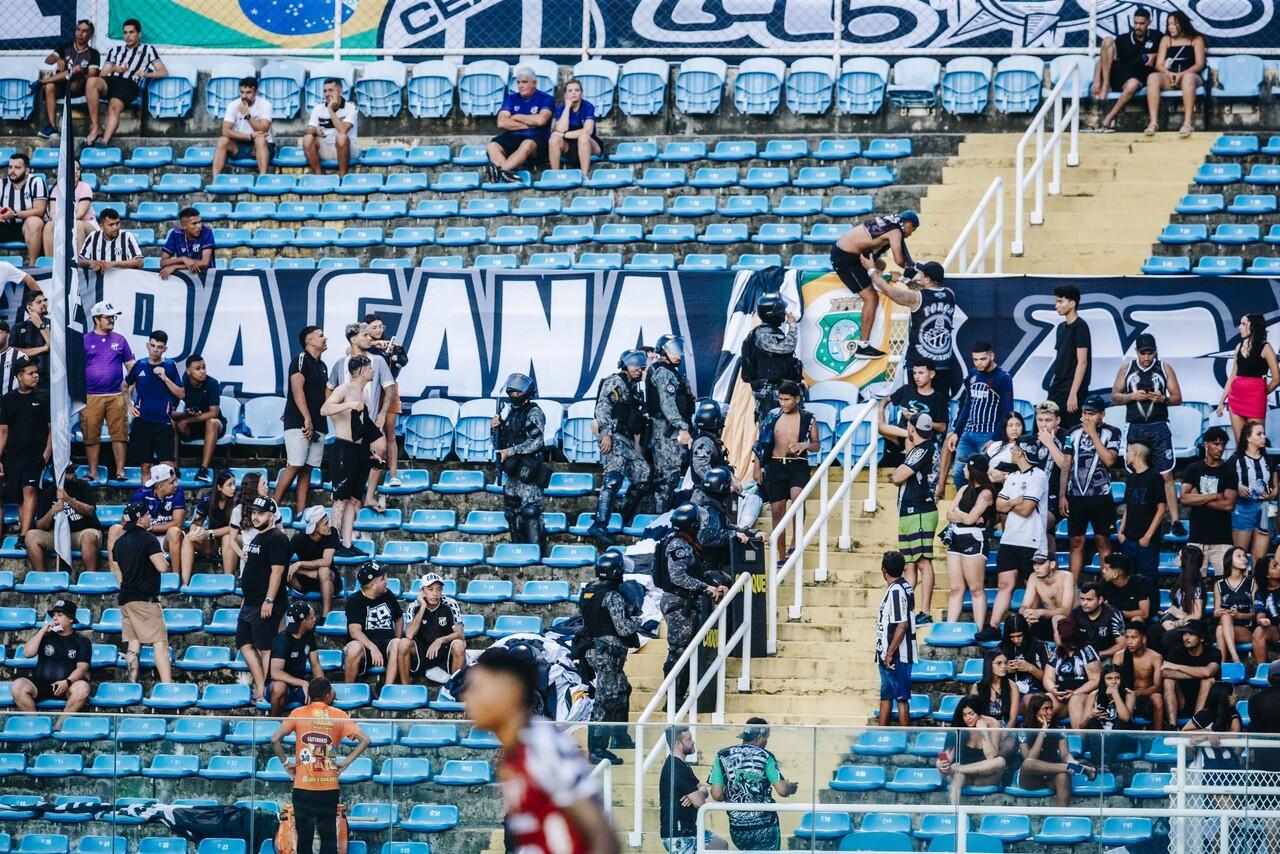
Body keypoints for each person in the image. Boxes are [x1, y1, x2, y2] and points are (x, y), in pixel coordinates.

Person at [462, 647, 620, 854]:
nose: (467, 698)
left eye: (477, 689)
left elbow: (600, 831)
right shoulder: (516, 752)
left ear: (509, 690)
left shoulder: (542, 745)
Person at [270, 677, 371, 854]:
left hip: (303, 786)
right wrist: (346, 763)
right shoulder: (338, 715)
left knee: (304, 840)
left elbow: (274, 739)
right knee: (329, 839)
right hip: (328, 787)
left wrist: (287, 763)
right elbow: (365, 740)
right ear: (327, 695)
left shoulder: (298, 713)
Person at [980, 439, 1049, 642]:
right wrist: (1014, 501)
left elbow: (1027, 510)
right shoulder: (1012, 477)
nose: (1011, 452)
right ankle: (993, 626)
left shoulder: (1039, 476)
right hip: (1010, 539)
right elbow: (1000, 506)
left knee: (1033, 585)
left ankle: (1030, 628)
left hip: (1032, 540)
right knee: (1004, 584)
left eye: (1014, 449)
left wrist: (1011, 504)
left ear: (1020, 452)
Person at [654, 504, 725, 703]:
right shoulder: (678, 545)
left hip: (686, 601)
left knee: (687, 650)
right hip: (678, 603)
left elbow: (696, 572)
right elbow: (678, 577)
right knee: (679, 652)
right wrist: (705, 588)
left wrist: (713, 585)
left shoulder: (686, 543)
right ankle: (673, 698)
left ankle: (679, 695)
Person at [828, 211, 921, 360]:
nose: (911, 234)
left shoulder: (890, 222)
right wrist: (916, 273)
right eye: (913, 229)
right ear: (907, 223)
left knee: (881, 264)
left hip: (852, 253)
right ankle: (863, 346)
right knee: (871, 299)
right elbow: (899, 260)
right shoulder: (896, 231)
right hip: (845, 257)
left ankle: (874, 283)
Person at [1113, 333, 1182, 527]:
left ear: (1155, 351)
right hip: (1136, 426)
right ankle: (1133, 519)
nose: (1146, 357)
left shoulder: (1164, 367)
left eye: (1150, 353)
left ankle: (1175, 519)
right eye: (1143, 353)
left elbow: (1177, 397)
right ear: (1136, 352)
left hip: (1159, 425)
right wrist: (1132, 397)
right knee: (1136, 473)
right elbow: (1115, 396)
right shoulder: (1127, 368)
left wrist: (1163, 399)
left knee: (1167, 474)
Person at [579, 551, 639, 764]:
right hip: (607, 655)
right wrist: (637, 620)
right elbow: (623, 629)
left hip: (593, 650)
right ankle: (597, 749)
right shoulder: (611, 595)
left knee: (623, 689)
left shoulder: (588, 591)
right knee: (604, 700)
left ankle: (620, 736)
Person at [328, 323, 395, 513]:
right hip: (347, 430)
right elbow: (330, 388)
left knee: (379, 449)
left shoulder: (378, 361)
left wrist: (382, 414)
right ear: (353, 339)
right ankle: (345, 519)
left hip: (369, 421)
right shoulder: (341, 363)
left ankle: (369, 495)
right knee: (346, 490)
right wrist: (335, 414)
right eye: (365, 335)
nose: (369, 338)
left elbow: (389, 387)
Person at [867, 259, 958, 396]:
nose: (919, 277)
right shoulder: (950, 294)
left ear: (927, 279)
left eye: (921, 275)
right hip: (944, 363)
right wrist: (903, 279)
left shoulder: (917, 298)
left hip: (920, 366)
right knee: (940, 408)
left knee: (916, 407)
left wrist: (871, 270)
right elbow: (925, 291)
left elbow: (889, 291)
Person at [322, 355, 383, 555]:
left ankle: (347, 543)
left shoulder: (364, 393)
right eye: (370, 368)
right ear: (362, 370)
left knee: (354, 499)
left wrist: (370, 453)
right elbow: (325, 409)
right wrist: (348, 405)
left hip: (359, 450)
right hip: (343, 448)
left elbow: (364, 426)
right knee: (340, 498)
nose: (373, 371)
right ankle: (332, 541)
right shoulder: (344, 389)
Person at [589, 350, 652, 544]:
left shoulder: (635, 388)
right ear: (625, 366)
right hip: (614, 437)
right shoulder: (615, 381)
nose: (639, 370)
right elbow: (603, 408)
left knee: (644, 476)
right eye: (634, 366)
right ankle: (599, 523)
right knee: (613, 479)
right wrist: (606, 434)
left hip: (626, 440)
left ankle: (620, 512)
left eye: (641, 366)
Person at [708, 718, 798, 852]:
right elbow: (782, 790)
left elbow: (716, 794)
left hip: (738, 828)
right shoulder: (765, 756)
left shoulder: (722, 755)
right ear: (761, 736)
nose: (766, 742)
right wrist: (790, 787)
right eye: (767, 738)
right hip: (765, 826)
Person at [752, 380, 818, 560]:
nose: (783, 403)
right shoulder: (773, 416)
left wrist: (804, 445)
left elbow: (816, 445)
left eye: (787, 399)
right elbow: (760, 443)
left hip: (798, 464)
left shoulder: (808, 418)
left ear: (796, 399)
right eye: (780, 399)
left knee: (798, 498)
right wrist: (757, 467)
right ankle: (781, 554)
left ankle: (796, 540)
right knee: (777, 510)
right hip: (775, 465)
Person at [110, 501, 172, 684]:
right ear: (140, 518)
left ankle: (131, 683)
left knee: (133, 644)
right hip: (145, 600)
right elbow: (161, 567)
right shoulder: (148, 539)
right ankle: (167, 685)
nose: (150, 517)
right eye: (147, 515)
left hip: (125, 599)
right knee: (160, 643)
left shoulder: (119, 544)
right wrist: (166, 561)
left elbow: (118, 573)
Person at [237, 495, 290, 702]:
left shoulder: (277, 538)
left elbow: (277, 572)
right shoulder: (259, 537)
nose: (255, 517)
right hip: (250, 602)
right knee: (244, 643)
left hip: (265, 604)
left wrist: (269, 600)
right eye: (253, 513)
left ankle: (265, 692)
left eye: (260, 513)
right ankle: (261, 686)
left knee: (266, 648)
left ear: (271, 515)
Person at [1060, 396, 1120, 580]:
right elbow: (1066, 464)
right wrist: (1063, 495)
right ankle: (1072, 588)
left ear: (1102, 414)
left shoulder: (1113, 432)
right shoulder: (1071, 432)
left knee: (1103, 541)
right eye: (1085, 413)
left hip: (1101, 496)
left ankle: (1106, 586)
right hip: (1076, 495)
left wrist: (1093, 434)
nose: (1087, 417)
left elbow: (1110, 460)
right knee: (1076, 542)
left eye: (1092, 414)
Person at [943, 340, 1013, 492]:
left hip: (987, 435)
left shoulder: (1003, 378)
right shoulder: (973, 374)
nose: (979, 363)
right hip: (967, 434)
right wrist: (956, 432)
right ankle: (965, 505)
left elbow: (1007, 412)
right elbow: (967, 406)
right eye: (975, 359)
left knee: (983, 476)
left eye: (983, 359)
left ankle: (981, 510)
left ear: (992, 356)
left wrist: (995, 438)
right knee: (958, 474)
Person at [84, 18, 165, 146]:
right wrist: (115, 68)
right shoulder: (115, 50)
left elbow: (163, 72)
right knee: (92, 81)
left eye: (131, 32)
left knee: (113, 107)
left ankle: (104, 142)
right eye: (125, 32)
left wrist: (146, 74)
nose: (128, 36)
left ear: (139, 34)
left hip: (129, 83)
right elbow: (103, 74)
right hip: (111, 81)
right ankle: (95, 127)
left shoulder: (148, 50)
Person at [11, 599, 91, 726]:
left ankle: (59, 726)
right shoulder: (45, 635)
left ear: (71, 619)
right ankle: (36, 726)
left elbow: (82, 668)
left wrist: (67, 682)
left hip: (67, 685)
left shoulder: (82, 641)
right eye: (54, 615)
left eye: (60, 615)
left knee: (83, 688)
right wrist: (42, 631)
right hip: (42, 683)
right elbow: (27, 653)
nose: (55, 618)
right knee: (17, 686)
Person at [891, 413, 939, 624]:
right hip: (910, 511)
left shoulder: (923, 450)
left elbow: (898, 477)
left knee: (922, 562)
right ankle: (907, 611)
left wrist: (896, 473)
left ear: (911, 430)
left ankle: (925, 612)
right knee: (909, 565)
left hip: (920, 510)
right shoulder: (926, 447)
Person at [276, 325, 329, 515]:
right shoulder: (300, 360)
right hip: (299, 422)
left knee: (307, 468)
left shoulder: (322, 366)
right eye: (321, 335)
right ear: (310, 340)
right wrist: (306, 418)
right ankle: (271, 507)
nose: (325, 338)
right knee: (295, 464)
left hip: (319, 424)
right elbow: (296, 389)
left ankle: (300, 512)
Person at [80, 300, 133, 482]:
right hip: (91, 396)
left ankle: (120, 471)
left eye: (113, 317)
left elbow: (131, 367)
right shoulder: (84, 340)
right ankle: (93, 472)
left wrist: (128, 392)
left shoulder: (120, 340)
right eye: (107, 317)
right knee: (91, 434)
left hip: (116, 395)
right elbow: (75, 369)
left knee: (119, 434)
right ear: (96, 319)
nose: (111, 320)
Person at [493, 372, 547, 548]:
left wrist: (511, 451)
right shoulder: (507, 413)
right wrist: (495, 427)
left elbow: (535, 442)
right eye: (511, 393)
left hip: (528, 470)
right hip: (511, 471)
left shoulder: (534, 412)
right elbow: (497, 443)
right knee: (511, 512)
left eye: (517, 393)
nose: (514, 396)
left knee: (530, 511)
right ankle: (517, 551)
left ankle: (536, 552)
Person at [125, 330, 183, 484]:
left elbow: (181, 393)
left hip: (163, 423)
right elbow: (125, 386)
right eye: (152, 345)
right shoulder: (140, 365)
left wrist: (165, 378)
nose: (155, 349)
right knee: (145, 466)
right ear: (147, 345)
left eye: (159, 347)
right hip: (143, 422)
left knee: (168, 468)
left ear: (165, 349)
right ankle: (146, 504)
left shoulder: (170, 366)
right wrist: (129, 404)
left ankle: (168, 505)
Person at [0, 355, 50, 535]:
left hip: (35, 453)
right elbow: (3, 431)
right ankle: (25, 530)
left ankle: (25, 534)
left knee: (30, 490)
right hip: (14, 454)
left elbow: (52, 428)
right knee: (21, 496)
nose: (36, 376)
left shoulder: (44, 396)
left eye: (36, 373)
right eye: (31, 373)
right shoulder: (7, 400)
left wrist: (47, 452)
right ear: (19, 377)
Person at [944, 455, 996, 626]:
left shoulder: (986, 493)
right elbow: (948, 514)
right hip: (957, 538)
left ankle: (980, 628)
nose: (963, 470)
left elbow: (969, 520)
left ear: (973, 470)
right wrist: (961, 515)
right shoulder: (964, 489)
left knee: (975, 589)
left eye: (966, 467)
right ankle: (950, 628)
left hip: (974, 538)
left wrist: (959, 513)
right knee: (956, 588)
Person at [647, 334, 695, 514]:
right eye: (674, 351)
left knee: (672, 476)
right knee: (667, 477)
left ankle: (664, 515)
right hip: (667, 432)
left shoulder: (671, 371)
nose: (679, 355)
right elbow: (667, 404)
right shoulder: (664, 372)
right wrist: (682, 426)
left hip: (670, 431)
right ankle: (661, 518)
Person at [1016, 694, 1092, 807]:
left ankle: (1061, 818)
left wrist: (1071, 761)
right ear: (1035, 711)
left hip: (1052, 773)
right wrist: (1043, 731)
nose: (1050, 712)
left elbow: (1065, 754)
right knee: (1027, 763)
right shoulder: (1023, 729)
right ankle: (1078, 770)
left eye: (1051, 708)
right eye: (1045, 709)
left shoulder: (1058, 729)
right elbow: (1030, 758)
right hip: (1031, 778)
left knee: (1063, 776)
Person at [661, 726, 727, 854]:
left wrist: (698, 793)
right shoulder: (676, 768)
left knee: (720, 845)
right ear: (678, 744)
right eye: (689, 739)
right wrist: (697, 796)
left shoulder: (683, 766)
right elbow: (700, 803)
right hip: (678, 833)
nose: (693, 742)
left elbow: (703, 789)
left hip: (690, 829)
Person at [1093, 7, 1161, 132]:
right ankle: (1106, 84)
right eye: (1135, 23)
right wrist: (1097, 81)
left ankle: (1109, 117)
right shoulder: (1123, 39)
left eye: (1142, 23)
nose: (1138, 27)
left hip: (1139, 77)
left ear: (1149, 23)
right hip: (1119, 74)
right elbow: (1102, 60)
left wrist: (1155, 55)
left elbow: (1166, 53)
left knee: (1133, 84)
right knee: (1107, 40)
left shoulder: (1157, 36)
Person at [1182, 426, 1239, 575]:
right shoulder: (1193, 469)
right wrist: (1213, 496)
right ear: (1206, 444)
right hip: (1196, 538)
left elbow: (1228, 505)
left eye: (1223, 445)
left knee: (1226, 583)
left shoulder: (1229, 472)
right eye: (1216, 444)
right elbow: (1183, 498)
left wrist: (1197, 496)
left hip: (1222, 539)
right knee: (1191, 584)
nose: (1220, 448)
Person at [1118, 442, 1167, 609]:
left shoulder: (1154, 477)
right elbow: (1128, 507)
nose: (1125, 454)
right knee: (1128, 580)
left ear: (1136, 453)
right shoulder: (1131, 477)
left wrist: (1147, 536)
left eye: (1127, 451)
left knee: (1149, 581)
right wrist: (1121, 532)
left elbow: (1161, 509)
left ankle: (1152, 615)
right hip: (1128, 540)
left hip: (1147, 543)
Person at [739, 293, 801, 423]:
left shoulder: (770, 331)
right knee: (772, 430)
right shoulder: (763, 333)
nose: (784, 313)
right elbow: (787, 347)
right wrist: (793, 326)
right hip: (769, 392)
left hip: (775, 390)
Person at [25, 465, 100, 572]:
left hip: (82, 532)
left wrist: (68, 499)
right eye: (69, 473)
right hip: (56, 535)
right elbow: (40, 525)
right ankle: (41, 578)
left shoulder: (83, 486)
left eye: (73, 471)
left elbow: (90, 511)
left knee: (88, 537)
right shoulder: (47, 494)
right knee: (31, 536)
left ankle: (90, 578)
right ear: (58, 477)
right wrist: (52, 511)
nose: (74, 474)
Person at [486, 66, 554, 183]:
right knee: (492, 146)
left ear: (534, 83)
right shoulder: (511, 99)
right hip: (513, 136)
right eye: (518, 82)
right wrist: (529, 123)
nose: (520, 86)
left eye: (524, 82)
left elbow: (541, 120)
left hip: (536, 138)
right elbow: (501, 122)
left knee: (527, 144)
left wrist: (517, 117)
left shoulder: (546, 98)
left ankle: (500, 169)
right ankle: (506, 171)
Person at [108, 463, 186, 563]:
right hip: (143, 537)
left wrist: (150, 527)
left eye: (175, 480)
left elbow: (177, 523)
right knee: (115, 530)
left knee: (174, 531)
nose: (176, 484)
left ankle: (176, 577)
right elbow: (125, 521)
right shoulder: (141, 494)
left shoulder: (178, 492)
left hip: (166, 538)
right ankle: (116, 574)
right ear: (161, 486)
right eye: (172, 482)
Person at [395, 571, 464, 683]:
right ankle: (405, 688)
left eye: (439, 589)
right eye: (430, 589)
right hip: (422, 648)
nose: (435, 593)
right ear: (422, 591)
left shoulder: (450, 604)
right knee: (403, 643)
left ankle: (454, 688)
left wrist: (440, 640)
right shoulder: (414, 607)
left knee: (459, 645)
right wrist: (422, 606)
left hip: (444, 649)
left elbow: (460, 634)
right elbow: (409, 634)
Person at [1147, 10, 1207, 137]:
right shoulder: (1166, 40)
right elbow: (1159, 64)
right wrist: (1167, 73)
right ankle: (1153, 123)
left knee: (1188, 78)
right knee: (1152, 77)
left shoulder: (1196, 40)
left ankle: (1187, 123)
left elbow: (1199, 64)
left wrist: (1182, 74)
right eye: (1169, 24)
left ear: (1182, 24)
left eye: (1174, 24)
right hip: (1170, 77)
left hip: (1191, 77)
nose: (1170, 27)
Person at [937, 697, 1007, 804]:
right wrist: (940, 763)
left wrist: (983, 731)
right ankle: (953, 812)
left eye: (971, 714)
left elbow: (991, 757)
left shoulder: (992, 724)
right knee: (958, 776)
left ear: (979, 712)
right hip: (963, 777)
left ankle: (960, 769)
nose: (968, 718)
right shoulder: (959, 727)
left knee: (1000, 761)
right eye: (964, 715)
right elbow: (945, 756)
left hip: (984, 776)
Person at [364, 314, 407, 488]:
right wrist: (375, 344)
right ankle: (368, 474)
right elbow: (349, 351)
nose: (379, 330)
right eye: (374, 327)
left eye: (381, 327)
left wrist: (392, 353)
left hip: (389, 389)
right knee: (369, 433)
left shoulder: (392, 346)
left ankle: (393, 475)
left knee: (390, 434)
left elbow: (402, 362)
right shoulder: (363, 345)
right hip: (369, 389)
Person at [38, 19, 100, 139]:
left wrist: (81, 71)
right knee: (50, 86)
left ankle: (41, 82)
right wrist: (58, 59)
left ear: (90, 35)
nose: (80, 33)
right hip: (61, 85)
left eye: (85, 31)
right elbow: (48, 60)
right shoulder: (65, 47)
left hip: (78, 86)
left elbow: (93, 74)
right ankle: (52, 128)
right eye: (78, 30)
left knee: (76, 71)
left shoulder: (93, 53)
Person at [344, 561, 403, 685]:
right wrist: (372, 647)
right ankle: (348, 689)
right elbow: (354, 631)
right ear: (373, 585)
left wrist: (396, 640)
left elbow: (399, 618)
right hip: (365, 646)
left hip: (387, 645)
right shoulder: (355, 600)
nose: (386, 580)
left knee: (398, 643)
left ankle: (388, 689)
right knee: (354, 648)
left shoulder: (388, 594)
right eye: (382, 579)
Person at [1223, 315, 1280, 444]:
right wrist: (1222, 401)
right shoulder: (1239, 346)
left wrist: (1261, 393)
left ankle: (1259, 465)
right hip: (1236, 398)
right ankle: (1242, 464)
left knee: (1256, 443)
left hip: (1255, 399)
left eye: (1243, 324)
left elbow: (1277, 378)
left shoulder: (1265, 347)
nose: (1240, 327)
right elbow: (1233, 375)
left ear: (1252, 326)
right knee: (1241, 443)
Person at [876, 551, 917, 726]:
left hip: (897, 655)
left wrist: (889, 654)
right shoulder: (905, 586)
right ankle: (881, 735)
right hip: (888, 653)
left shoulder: (897, 590)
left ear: (883, 570)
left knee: (901, 698)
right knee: (885, 695)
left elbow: (902, 625)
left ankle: (904, 738)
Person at [171, 354, 224, 481]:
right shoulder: (181, 386)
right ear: (189, 371)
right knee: (171, 422)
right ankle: (174, 469)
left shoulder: (212, 383)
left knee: (212, 422)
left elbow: (213, 413)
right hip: (190, 427)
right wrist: (185, 415)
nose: (203, 371)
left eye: (204, 367)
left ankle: (203, 470)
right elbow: (171, 412)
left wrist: (188, 419)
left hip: (212, 426)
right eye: (198, 368)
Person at [880, 363, 949, 457]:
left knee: (910, 441)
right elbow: (886, 399)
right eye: (914, 373)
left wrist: (917, 418)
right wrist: (880, 409)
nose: (917, 377)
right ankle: (909, 435)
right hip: (902, 433)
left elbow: (942, 427)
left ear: (931, 374)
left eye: (921, 373)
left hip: (924, 436)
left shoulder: (938, 398)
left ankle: (911, 468)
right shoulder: (907, 389)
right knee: (879, 426)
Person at [1043, 618, 1102, 728]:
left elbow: (1095, 680)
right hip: (1061, 698)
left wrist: (1074, 693)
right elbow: (1048, 677)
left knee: (1075, 700)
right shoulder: (1057, 652)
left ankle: (1078, 739)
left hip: (1084, 696)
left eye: (1057, 633)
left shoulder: (1087, 650)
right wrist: (1053, 690)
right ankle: (1041, 737)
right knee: (1044, 700)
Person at [1232, 420, 1276, 564]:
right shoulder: (1236, 459)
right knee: (1240, 555)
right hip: (1243, 508)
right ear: (1248, 438)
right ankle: (1241, 586)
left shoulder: (1269, 459)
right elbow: (1225, 481)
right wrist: (1237, 486)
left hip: (1264, 508)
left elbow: (1275, 486)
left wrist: (1272, 493)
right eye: (1259, 434)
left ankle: (1258, 586)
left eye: (1263, 433)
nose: (1264, 437)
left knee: (1260, 558)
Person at [180, 470, 236, 582]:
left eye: (234, 483)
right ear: (219, 487)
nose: (233, 488)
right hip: (212, 541)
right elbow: (196, 522)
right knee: (188, 538)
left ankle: (227, 582)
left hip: (233, 539)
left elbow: (232, 528)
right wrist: (195, 532)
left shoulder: (237, 499)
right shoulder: (207, 498)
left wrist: (208, 533)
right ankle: (185, 584)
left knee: (227, 538)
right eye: (230, 485)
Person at [268, 601, 322, 717]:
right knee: (279, 688)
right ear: (303, 622)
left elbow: (315, 665)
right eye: (311, 617)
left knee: (323, 694)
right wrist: (302, 682)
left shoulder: (309, 635)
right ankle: (273, 721)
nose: (315, 619)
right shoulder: (282, 640)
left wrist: (324, 687)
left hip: (298, 687)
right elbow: (275, 673)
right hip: (282, 685)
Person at [212, 76, 274, 178]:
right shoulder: (233, 105)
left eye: (248, 92)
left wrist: (247, 115)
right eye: (242, 92)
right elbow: (225, 131)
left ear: (256, 92)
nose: (244, 96)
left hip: (260, 146)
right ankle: (215, 181)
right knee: (223, 140)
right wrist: (249, 136)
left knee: (260, 139)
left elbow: (263, 130)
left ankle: (263, 179)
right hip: (239, 144)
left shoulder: (265, 105)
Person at [1048, 284, 1091, 429]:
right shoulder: (1061, 328)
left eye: (1060, 301)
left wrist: (1073, 394)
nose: (1056, 306)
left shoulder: (1080, 326)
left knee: (1071, 432)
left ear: (1072, 303)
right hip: (1057, 388)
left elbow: (1082, 362)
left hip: (1071, 390)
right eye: (1056, 301)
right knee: (1049, 429)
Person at [1149, 546, 1206, 654]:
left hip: (1191, 625)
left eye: (1179, 556)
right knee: (1152, 631)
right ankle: (1159, 664)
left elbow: (1196, 615)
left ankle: (1174, 664)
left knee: (1168, 637)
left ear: (1186, 560)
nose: (1176, 558)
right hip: (1177, 620)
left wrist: (1176, 621)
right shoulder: (1182, 578)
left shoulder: (1195, 583)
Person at [286, 506, 338, 617]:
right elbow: (281, 561)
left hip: (328, 578)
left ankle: (325, 616)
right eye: (325, 524)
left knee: (324, 570)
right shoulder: (298, 538)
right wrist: (307, 573)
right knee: (281, 570)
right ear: (314, 527)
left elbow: (327, 561)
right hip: (304, 581)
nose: (329, 525)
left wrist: (300, 564)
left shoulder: (332, 533)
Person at [302, 78, 359, 180]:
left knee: (341, 137)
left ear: (340, 91)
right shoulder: (318, 108)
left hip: (347, 149)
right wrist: (316, 131)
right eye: (325, 91)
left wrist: (330, 110)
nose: (327, 94)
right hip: (326, 148)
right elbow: (309, 129)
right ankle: (319, 177)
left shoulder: (351, 108)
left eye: (330, 90)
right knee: (307, 138)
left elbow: (343, 130)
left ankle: (342, 177)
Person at [1028, 400, 1068, 540]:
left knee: (1035, 528)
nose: (1043, 424)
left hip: (1055, 498)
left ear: (1058, 420)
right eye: (1040, 420)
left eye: (1048, 420)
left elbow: (1066, 466)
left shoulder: (1066, 437)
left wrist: (1050, 444)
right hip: (1033, 497)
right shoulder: (1032, 441)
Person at [1163, 621, 1220, 720]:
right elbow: (1165, 672)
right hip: (1182, 701)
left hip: (1206, 704)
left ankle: (1196, 723)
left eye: (1191, 634)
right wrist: (1198, 674)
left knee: (1207, 680)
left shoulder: (1213, 652)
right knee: (1168, 681)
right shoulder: (1176, 651)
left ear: (1202, 638)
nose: (1186, 638)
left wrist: (1177, 667)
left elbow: (1208, 672)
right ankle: (1171, 726)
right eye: (1184, 634)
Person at [0, 153, 49, 266]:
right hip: (6, 226)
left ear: (27, 170)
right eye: (10, 167)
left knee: (34, 221)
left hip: (29, 228)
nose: (12, 171)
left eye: (17, 168)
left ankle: (32, 267)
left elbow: (40, 210)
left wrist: (15, 214)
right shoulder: (2, 183)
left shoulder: (36, 182)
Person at [1116, 620, 1165, 731]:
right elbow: (1113, 679)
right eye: (1127, 637)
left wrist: (1138, 693)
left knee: (1157, 698)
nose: (1129, 642)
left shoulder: (1155, 657)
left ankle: (1158, 735)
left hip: (1146, 697)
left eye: (1134, 638)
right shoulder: (1119, 657)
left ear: (1143, 639)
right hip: (1125, 695)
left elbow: (1158, 686)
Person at [548, 78, 602, 178]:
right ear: (565, 95)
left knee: (583, 136)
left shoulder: (588, 107)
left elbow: (588, 130)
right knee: (554, 139)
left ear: (581, 93)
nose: (573, 93)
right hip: (569, 145)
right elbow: (561, 129)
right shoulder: (561, 108)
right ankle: (555, 175)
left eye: (577, 90)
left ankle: (585, 176)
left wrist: (564, 135)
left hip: (590, 144)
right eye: (570, 91)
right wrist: (568, 107)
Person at [42, 160, 96, 258]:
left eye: (78, 169)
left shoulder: (84, 187)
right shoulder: (57, 188)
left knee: (77, 224)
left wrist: (60, 220)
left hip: (87, 224)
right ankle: (50, 263)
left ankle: (78, 262)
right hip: (64, 222)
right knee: (49, 226)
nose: (76, 171)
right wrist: (55, 219)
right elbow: (52, 212)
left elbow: (79, 214)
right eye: (72, 169)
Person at [1183, 681, 1242, 769]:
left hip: (1231, 763)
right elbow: (1185, 732)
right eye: (1233, 693)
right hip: (1207, 764)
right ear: (1226, 697)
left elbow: (1235, 734)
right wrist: (1207, 733)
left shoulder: (1233, 713)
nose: (1236, 696)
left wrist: (1214, 735)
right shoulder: (1205, 714)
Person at [1020, 555, 1075, 643]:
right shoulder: (1033, 577)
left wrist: (1041, 612)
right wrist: (1025, 613)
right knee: (1024, 620)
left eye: (1041, 564)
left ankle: (1061, 655)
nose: (1036, 567)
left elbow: (1066, 610)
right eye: (1034, 564)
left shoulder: (1066, 576)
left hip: (1069, 623)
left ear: (1052, 564)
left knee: (1057, 619)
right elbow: (1025, 605)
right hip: (1048, 622)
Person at [689, 397, 733, 505]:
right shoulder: (704, 442)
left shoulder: (710, 440)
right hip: (706, 498)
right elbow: (701, 466)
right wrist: (717, 482)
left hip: (714, 495)